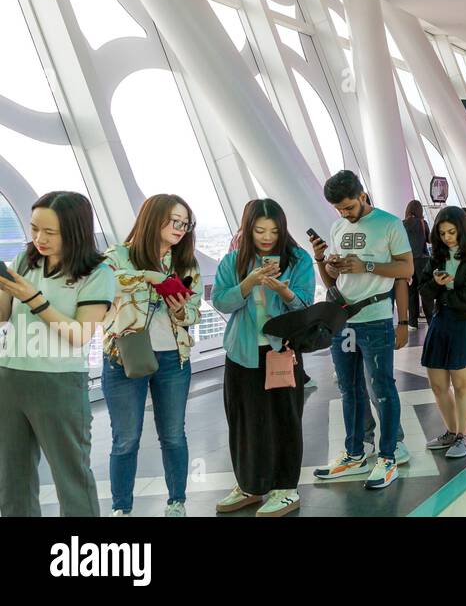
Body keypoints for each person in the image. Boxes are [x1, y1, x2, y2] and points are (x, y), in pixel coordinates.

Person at [0, 192, 114, 517]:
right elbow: (3, 314)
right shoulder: (26, 260)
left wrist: (35, 299)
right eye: (35, 229)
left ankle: (82, 557)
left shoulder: (97, 273)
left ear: (75, 231)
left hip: (60, 384)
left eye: (50, 233)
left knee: (72, 479)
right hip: (10, 378)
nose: (39, 239)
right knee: (11, 478)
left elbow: (79, 335)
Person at [99, 195, 204, 517]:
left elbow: (195, 314)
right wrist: (148, 277)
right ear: (153, 217)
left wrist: (181, 311)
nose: (181, 229)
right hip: (123, 356)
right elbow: (101, 285)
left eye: (185, 224)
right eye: (175, 221)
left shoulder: (186, 263)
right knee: (125, 439)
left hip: (173, 359)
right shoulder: (118, 256)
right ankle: (121, 509)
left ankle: (177, 502)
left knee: (173, 435)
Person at [308, 170, 413, 491]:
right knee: (348, 389)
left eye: (348, 207)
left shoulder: (390, 224)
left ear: (362, 196)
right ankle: (354, 452)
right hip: (343, 320)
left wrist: (403, 321)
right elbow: (332, 282)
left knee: (381, 387)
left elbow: (406, 270)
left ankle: (388, 455)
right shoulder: (338, 227)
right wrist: (323, 262)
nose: (344, 214)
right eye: (338, 209)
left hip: (376, 319)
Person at [211, 199, 315, 517]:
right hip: (242, 354)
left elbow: (305, 307)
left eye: (273, 230)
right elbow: (220, 302)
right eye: (259, 230)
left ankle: (285, 489)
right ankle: (250, 484)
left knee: (284, 419)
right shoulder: (234, 261)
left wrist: (283, 291)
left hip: (280, 351)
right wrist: (248, 283)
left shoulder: (298, 260)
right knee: (243, 420)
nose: (267, 237)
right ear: (248, 229)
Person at [422, 206, 466, 459]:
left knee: (462, 385)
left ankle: (464, 436)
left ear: (462, 231)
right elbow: (424, 292)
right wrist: (435, 286)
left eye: (452, 232)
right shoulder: (436, 258)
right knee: (438, 385)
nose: (447, 237)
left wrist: (442, 292)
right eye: (442, 233)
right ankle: (452, 432)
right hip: (441, 323)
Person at [403, 199, 430, 327]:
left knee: (411, 292)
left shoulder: (402, 224)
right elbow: (430, 240)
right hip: (423, 262)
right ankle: (430, 320)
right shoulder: (422, 223)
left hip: (408, 261)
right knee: (425, 292)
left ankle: (412, 323)